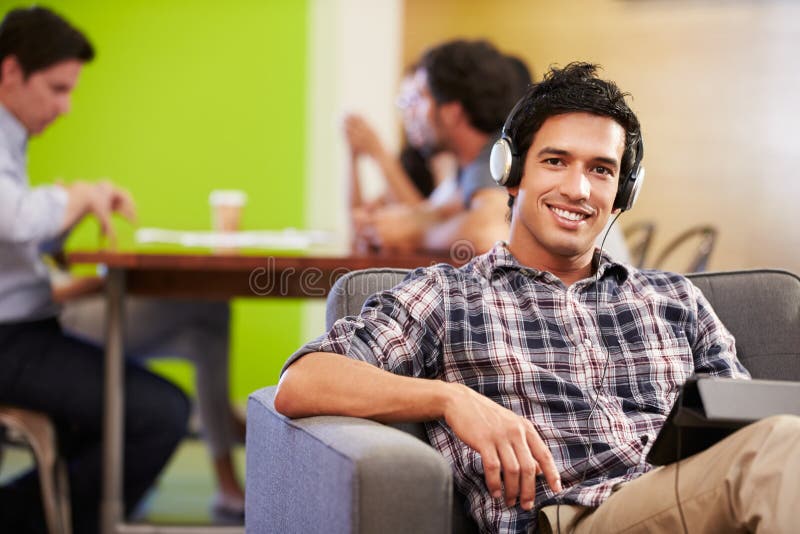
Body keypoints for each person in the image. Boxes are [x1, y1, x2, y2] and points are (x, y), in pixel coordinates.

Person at [274, 63, 799, 533]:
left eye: (601, 169)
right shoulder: (449, 295)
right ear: (511, 173)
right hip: (576, 517)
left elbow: (740, 432)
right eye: (555, 161)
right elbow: (302, 382)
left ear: (623, 192)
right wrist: (449, 398)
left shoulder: (675, 299)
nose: (578, 189)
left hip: (705, 504)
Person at [0, 7, 189, 533]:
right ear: (10, 72)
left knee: (118, 422)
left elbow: (23, 235)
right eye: (57, 89)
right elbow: (13, 216)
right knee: (160, 414)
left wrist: (76, 203)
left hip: (27, 332)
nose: (65, 108)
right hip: (11, 340)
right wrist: (76, 194)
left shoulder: (11, 139)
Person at [54, 291, 246, 518]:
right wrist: (99, 282)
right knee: (213, 306)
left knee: (205, 341)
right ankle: (232, 439)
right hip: (64, 314)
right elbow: (52, 287)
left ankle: (229, 438)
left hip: (80, 306)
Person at [354, 39, 520, 255]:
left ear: (452, 112)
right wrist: (402, 223)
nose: (410, 112)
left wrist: (417, 235)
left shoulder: (498, 154)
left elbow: (487, 230)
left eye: (420, 97)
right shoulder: (471, 164)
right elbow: (442, 210)